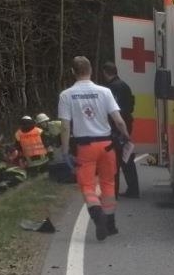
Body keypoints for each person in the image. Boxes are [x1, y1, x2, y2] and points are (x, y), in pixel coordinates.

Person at [58, 56, 131, 241]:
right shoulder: (104, 92)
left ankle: (97, 214)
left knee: (87, 185)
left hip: (85, 147)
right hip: (107, 146)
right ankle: (111, 224)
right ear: (90, 70)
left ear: (73, 72)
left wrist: (65, 151)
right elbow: (119, 121)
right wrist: (126, 136)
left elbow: (65, 126)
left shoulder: (66, 95)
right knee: (108, 184)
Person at [101, 61, 139, 198]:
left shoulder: (110, 88)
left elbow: (112, 110)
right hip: (127, 123)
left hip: (116, 127)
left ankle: (113, 192)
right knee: (127, 158)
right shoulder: (125, 86)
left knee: (114, 159)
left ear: (105, 73)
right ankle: (133, 189)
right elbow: (130, 106)